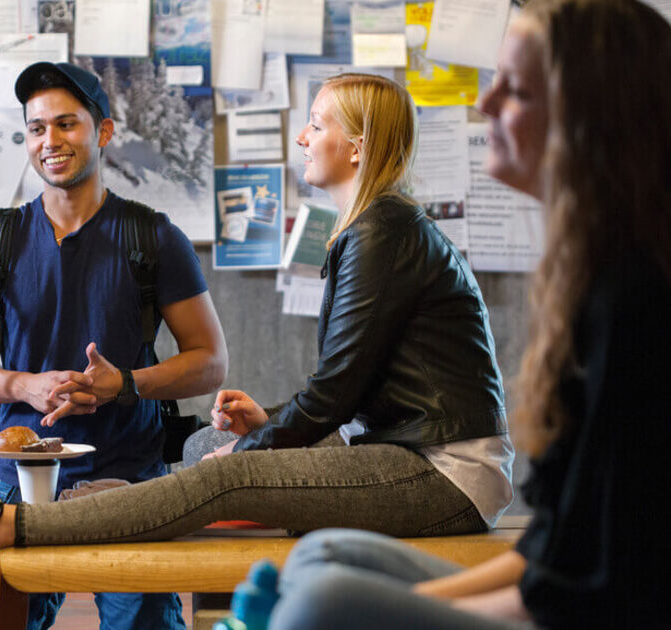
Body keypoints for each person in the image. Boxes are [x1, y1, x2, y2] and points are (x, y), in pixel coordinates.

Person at [0, 72, 516, 576]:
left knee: (223, 477)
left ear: (357, 148)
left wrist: (250, 449)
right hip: (414, 452)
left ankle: (2, 526)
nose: (303, 137)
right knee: (210, 449)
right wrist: (267, 426)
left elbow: (336, 391)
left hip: (445, 474)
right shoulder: (377, 227)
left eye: (316, 125)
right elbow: (357, 389)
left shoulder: (381, 231)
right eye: (36, 128)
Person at [265, 0, 671, 628]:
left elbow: (586, 588)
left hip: (593, 612)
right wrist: (403, 609)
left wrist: (388, 614)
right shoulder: (593, 275)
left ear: (590, 118)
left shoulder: (637, 299)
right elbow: (553, 545)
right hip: (557, 587)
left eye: (517, 90)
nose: (485, 103)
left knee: (321, 603)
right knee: (322, 562)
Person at [0, 61, 228, 629]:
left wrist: (127, 384)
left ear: (104, 131)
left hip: (131, 480)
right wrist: (23, 385)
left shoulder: (154, 238)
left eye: (66, 124)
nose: (50, 141)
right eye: (37, 128)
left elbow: (210, 361)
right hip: (19, 482)